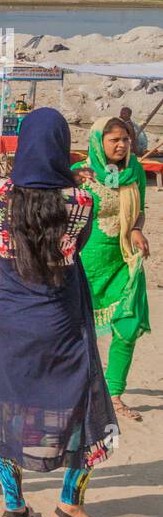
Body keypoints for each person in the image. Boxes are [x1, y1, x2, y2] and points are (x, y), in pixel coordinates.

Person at [0, 109, 125, 517]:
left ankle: (13, 507)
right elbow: (74, 247)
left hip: (10, 320)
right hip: (59, 320)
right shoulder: (80, 201)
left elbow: (8, 194)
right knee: (85, 407)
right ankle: (69, 509)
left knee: (8, 406)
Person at [74, 117, 151, 421]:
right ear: (98, 142)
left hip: (123, 261)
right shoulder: (80, 174)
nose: (121, 145)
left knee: (127, 325)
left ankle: (114, 394)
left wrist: (136, 229)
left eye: (126, 140)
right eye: (114, 140)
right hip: (84, 263)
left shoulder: (136, 173)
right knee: (80, 330)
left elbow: (140, 211)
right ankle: (79, 391)